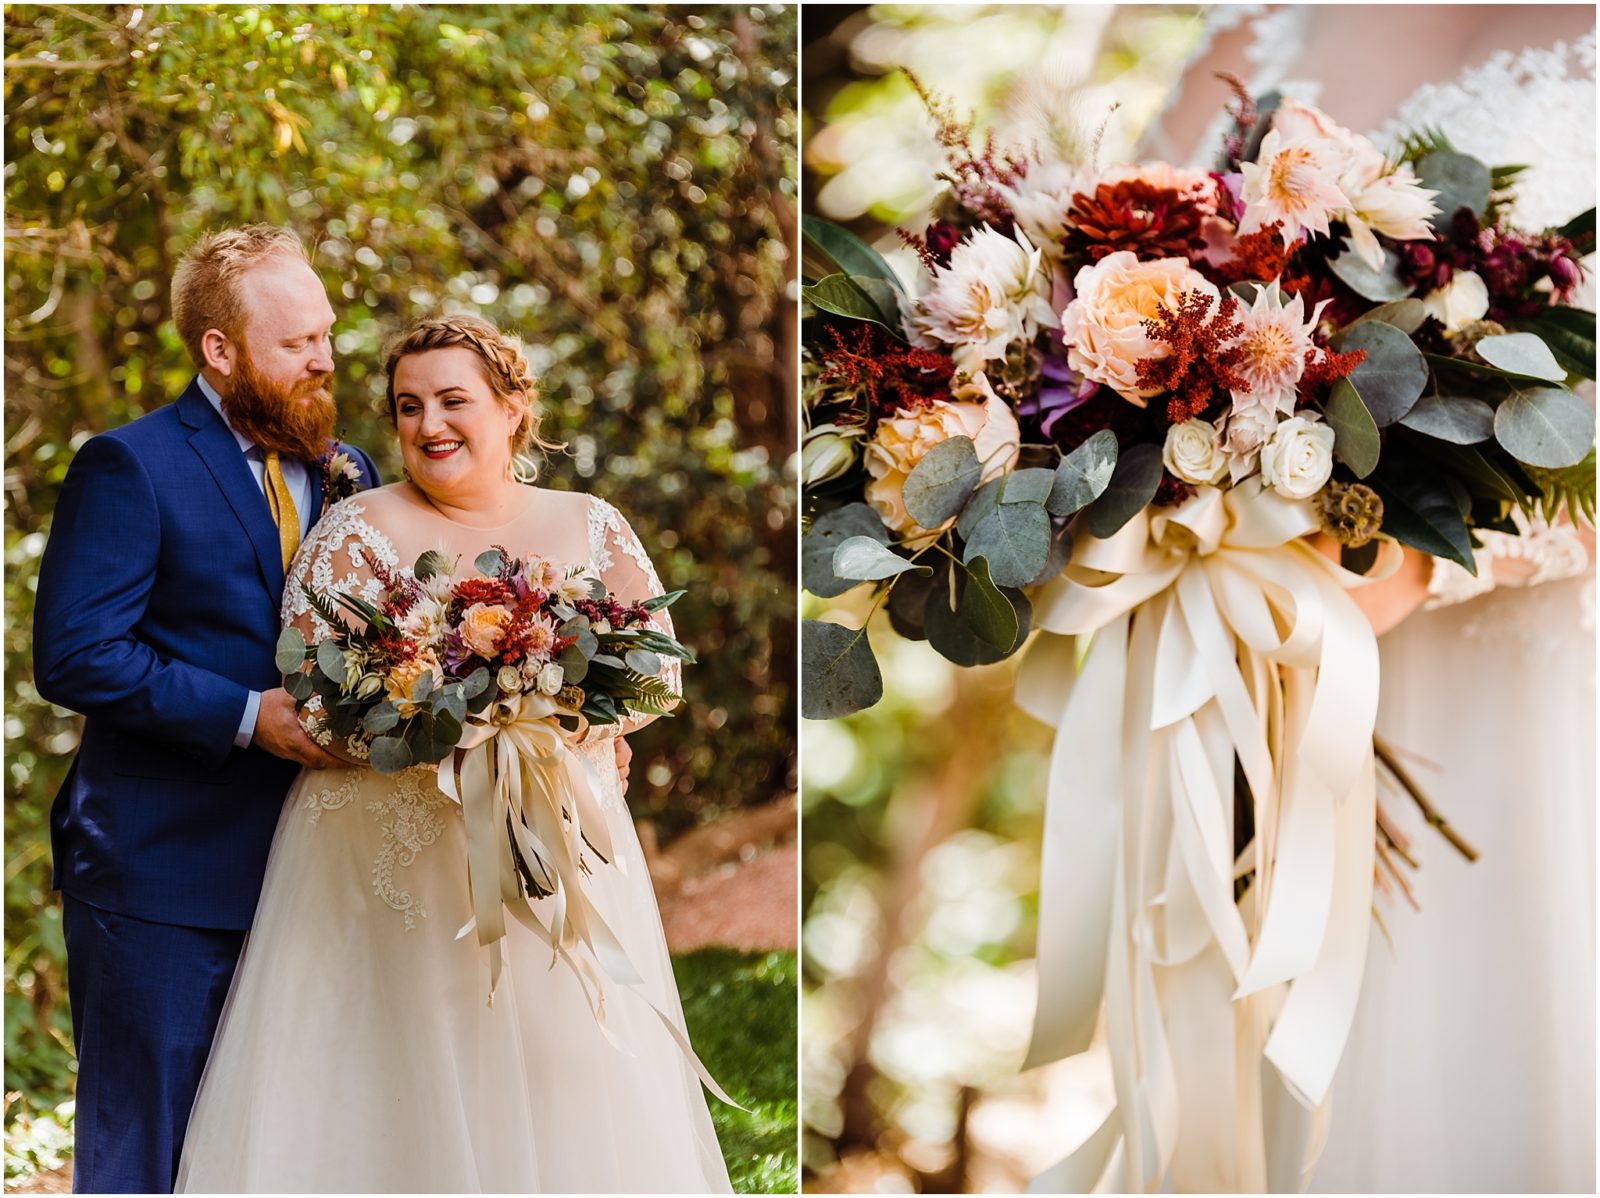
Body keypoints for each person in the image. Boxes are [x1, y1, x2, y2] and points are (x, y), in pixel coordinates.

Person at [1144, 6, 1595, 1191]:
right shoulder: (1258, 27)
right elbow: (1116, 291)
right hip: (1258, 684)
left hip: (1537, 696)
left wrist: (1427, 553)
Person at [174, 315, 733, 1192]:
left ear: (514, 408)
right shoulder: (356, 530)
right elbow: (317, 700)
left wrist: (562, 725)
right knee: (388, 1081)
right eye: (408, 406)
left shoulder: (589, 523)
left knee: (562, 1075)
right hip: (378, 864)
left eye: (453, 400)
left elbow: (655, 678)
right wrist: (441, 720)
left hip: (554, 845)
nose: (428, 424)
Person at [32, 224, 382, 1193]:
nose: (324, 358)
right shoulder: (129, 466)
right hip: (161, 875)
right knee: (144, 1153)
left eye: (325, 335)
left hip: (312, 869)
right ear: (218, 352)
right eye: (296, 343)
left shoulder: (347, 468)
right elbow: (75, 653)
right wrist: (246, 715)